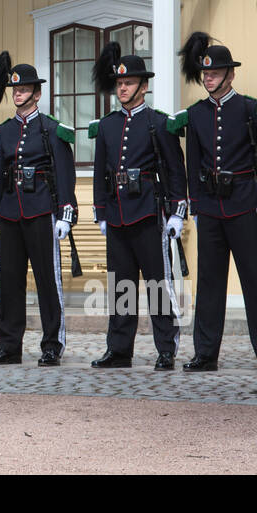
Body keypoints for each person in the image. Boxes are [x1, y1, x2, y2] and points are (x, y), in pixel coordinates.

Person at [177, 31, 257, 375]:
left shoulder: (251, 110)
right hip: (209, 206)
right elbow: (192, 163)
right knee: (209, 284)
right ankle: (206, 353)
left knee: (254, 281)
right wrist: (194, 203)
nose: (208, 79)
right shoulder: (195, 115)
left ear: (230, 75)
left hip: (244, 203)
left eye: (215, 73)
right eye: (205, 74)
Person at [88, 43, 186, 371]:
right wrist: (100, 211)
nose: (123, 88)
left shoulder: (159, 123)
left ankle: (166, 347)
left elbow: (174, 169)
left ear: (144, 87)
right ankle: (119, 349)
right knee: (122, 285)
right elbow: (101, 170)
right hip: (117, 213)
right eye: (119, 83)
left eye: (129, 83)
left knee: (157, 285)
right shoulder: (107, 125)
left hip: (148, 211)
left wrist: (176, 212)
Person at [0, 52, 77, 366]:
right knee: (9, 281)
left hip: (40, 209)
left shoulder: (52, 130)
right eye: (14, 89)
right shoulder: (3, 132)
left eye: (24, 90)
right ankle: (9, 345)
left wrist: (66, 211)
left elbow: (64, 171)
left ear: (37, 93)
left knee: (48, 280)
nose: (17, 93)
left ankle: (52, 344)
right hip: (10, 211)